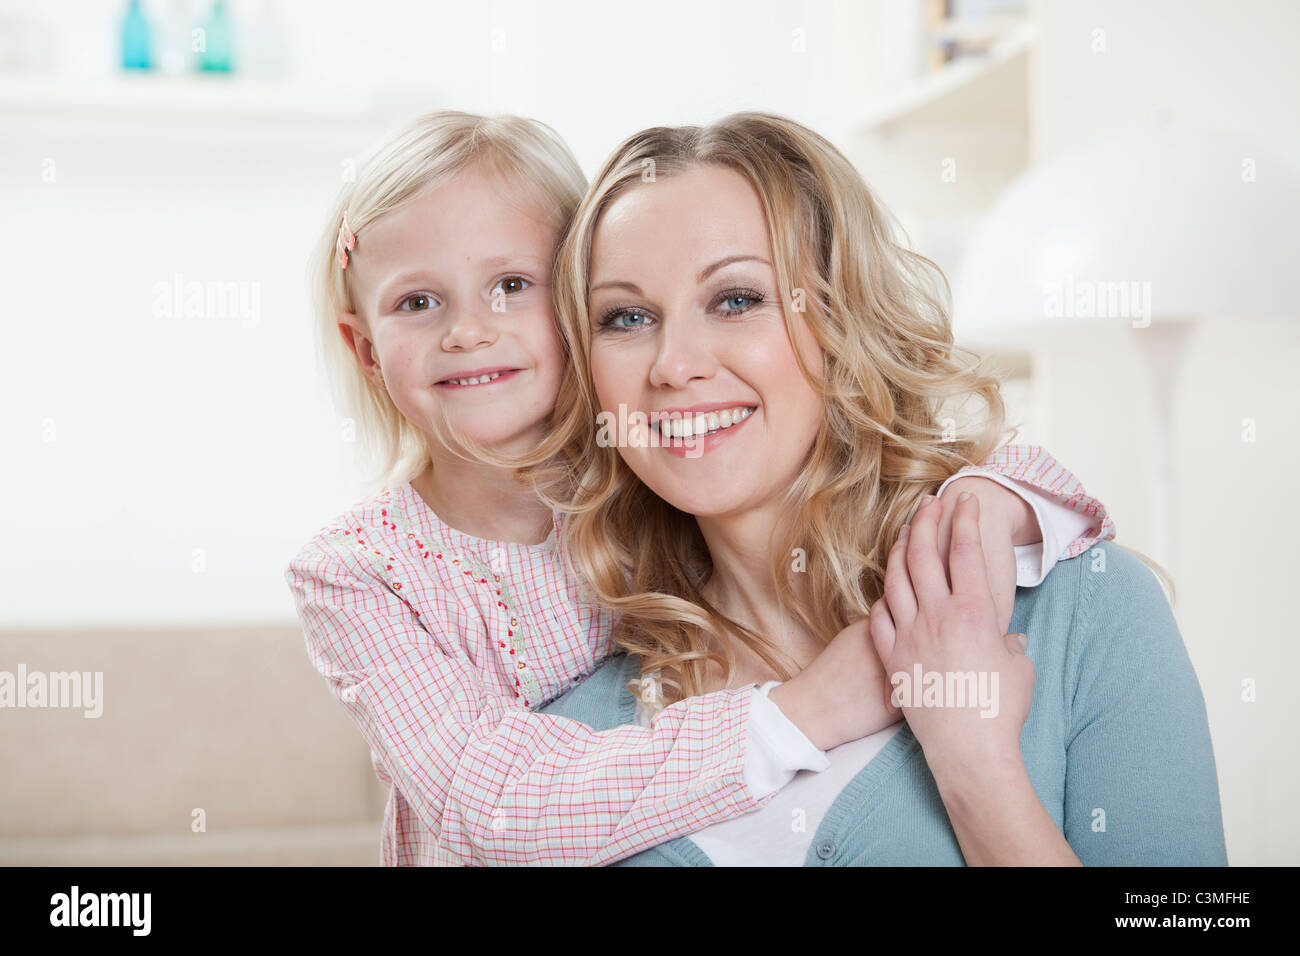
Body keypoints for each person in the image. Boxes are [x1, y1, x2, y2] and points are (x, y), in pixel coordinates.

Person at [285, 110, 1117, 866]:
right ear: (364, 349)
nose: (468, 330)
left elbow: (1002, 476)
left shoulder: (646, 482)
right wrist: (805, 710)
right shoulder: (360, 571)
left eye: (511, 285)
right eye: (418, 301)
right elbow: (495, 803)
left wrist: (982, 511)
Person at [534, 111, 1226, 865]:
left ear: (840, 317)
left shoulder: (1083, 610)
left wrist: (976, 770)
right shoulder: (573, 745)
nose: (674, 364)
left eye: (736, 299)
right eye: (626, 317)